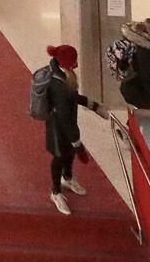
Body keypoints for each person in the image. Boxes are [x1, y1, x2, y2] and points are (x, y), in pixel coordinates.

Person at [40, 44, 108, 215]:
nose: (77, 63)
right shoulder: (58, 84)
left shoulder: (64, 76)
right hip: (58, 128)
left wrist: (94, 106)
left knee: (68, 153)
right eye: (75, 60)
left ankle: (68, 178)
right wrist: (78, 144)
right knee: (59, 156)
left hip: (67, 123)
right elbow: (64, 118)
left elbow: (73, 97)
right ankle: (56, 192)